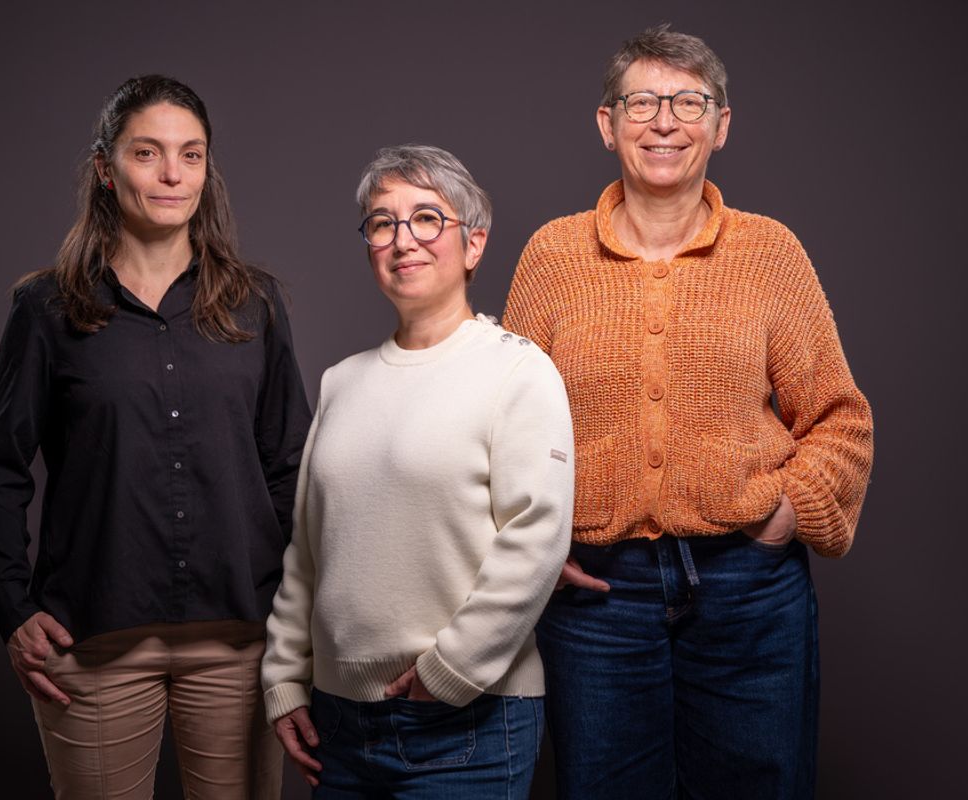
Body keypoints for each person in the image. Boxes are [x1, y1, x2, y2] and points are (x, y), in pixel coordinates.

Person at [502, 25, 875, 800]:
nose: (664, 122)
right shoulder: (552, 258)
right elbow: (502, 427)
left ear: (721, 125)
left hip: (749, 587)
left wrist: (787, 511)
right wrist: (534, 547)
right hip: (596, 597)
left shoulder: (770, 254)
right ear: (607, 124)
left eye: (688, 103)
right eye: (642, 102)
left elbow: (839, 418)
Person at [0, 74, 310, 800]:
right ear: (106, 167)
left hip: (240, 640)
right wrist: (12, 606)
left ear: (207, 168)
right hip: (93, 642)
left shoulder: (255, 303)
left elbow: (289, 467)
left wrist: (296, 615)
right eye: (147, 152)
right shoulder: (46, 308)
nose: (171, 174)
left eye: (191, 154)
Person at [261, 144, 574, 798]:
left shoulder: (517, 371)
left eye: (427, 218)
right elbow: (308, 550)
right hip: (339, 722)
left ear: (474, 244)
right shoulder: (342, 383)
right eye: (383, 223)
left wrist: (451, 670)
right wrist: (285, 677)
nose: (403, 239)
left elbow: (537, 537)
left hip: (467, 718)